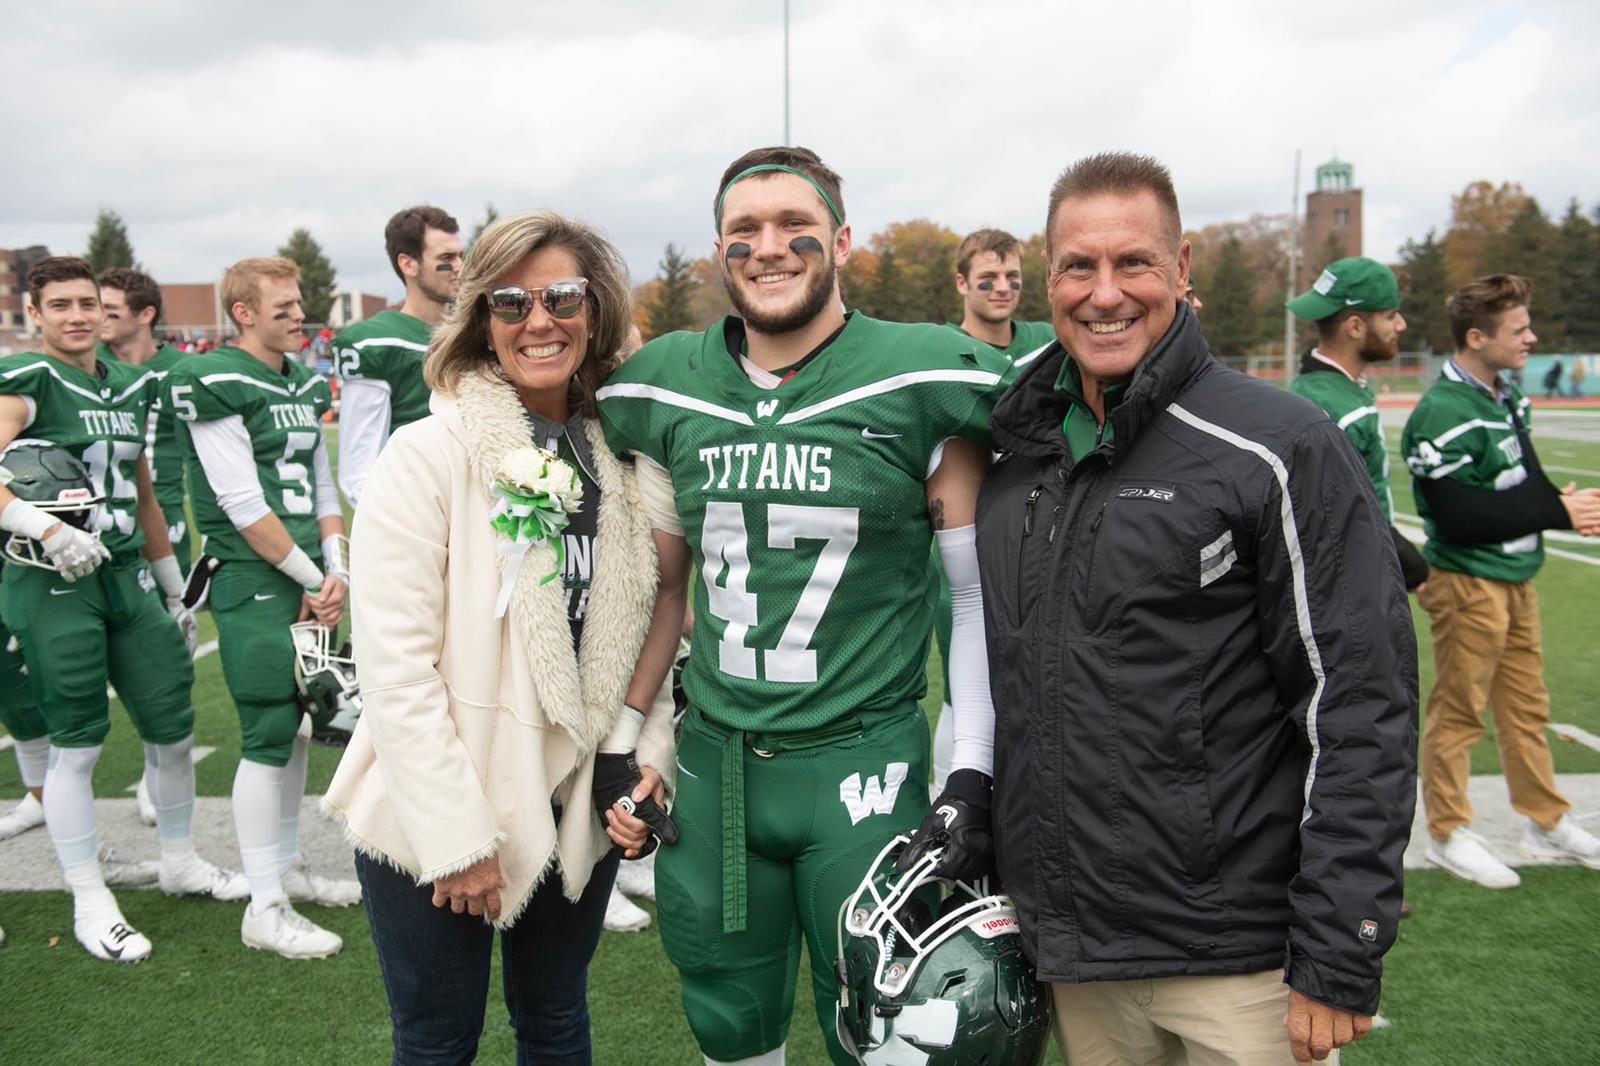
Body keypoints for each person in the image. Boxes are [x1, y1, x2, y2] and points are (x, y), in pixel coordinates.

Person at [975, 153, 1418, 1065]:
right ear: (1045, 279)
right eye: (1079, 267)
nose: (1105, 294)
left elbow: (1360, 700)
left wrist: (1342, 944)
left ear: (1182, 269)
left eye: (1133, 263)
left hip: (1238, 959)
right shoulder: (1016, 457)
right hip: (1078, 953)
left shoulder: (1277, 442)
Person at [597, 145, 1005, 1066]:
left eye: (795, 227)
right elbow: (654, 584)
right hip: (717, 763)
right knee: (726, 1017)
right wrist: (633, 739)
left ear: (843, 242)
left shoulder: (920, 372)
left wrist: (970, 765)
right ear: (719, 249)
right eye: (746, 230)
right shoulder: (664, 382)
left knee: (882, 1030)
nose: (769, 247)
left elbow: (976, 597)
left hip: (862, 763)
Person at [322, 210, 681, 1063]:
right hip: (438, 802)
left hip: (576, 799)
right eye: (511, 301)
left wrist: (649, 764)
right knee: (439, 1040)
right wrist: (455, 837)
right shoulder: (425, 454)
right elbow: (395, 670)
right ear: (481, 319)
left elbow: (659, 619)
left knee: (556, 1023)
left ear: (595, 311)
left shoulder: (626, 456)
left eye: (562, 296)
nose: (539, 320)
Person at [0, 256, 242, 964]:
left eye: (88, 303)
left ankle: (179, 859)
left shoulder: (133, 384)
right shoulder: (28, 380)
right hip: (52, 581)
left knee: (171, 726)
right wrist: (45, 528)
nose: (78, 316)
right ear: (35, 314)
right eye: (61, 305)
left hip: (126, 572)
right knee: (76, 741)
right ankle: (88, 896)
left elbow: (144, 495)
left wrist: (172, 586)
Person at [168, 256, 357, 959]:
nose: (297, 312)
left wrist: (336, 565)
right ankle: (264, 904)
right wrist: (313, 573)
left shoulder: (302, 381)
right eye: (282, 304)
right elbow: (243, 504)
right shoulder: (212, 377)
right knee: (268, 729)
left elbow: (321, 485)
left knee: (305, 727)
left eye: (298, 300)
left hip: (306, 574)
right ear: (242, 312)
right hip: (254, 576)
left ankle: (285, 870)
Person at [1401, 274, 1600, 889]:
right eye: (1519, 330)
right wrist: (1554, 513)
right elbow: (1459, 519)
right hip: (1468, 581)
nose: (1532, 338)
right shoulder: (1442, 410)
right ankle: (1445, 831)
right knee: (1459, 711)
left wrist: (1554, 499)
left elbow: (1520, 476)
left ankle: (1544, 818)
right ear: (1477, 336)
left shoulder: (1503, 392)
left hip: (1517, 578)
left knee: (1525, 708)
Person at [929, 229, 1057, 790]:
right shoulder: (939, 353)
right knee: (967, 659)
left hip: (1040, 529)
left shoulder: (1049, 342)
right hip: (966, 534)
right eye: (987, 279)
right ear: (962, 284)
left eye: (1013, 279)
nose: (1002, 289)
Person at [1286, 257, 1429, 590]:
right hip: (1351, 581)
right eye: (1391, 316)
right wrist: (1409, 564)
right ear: (1355, 327)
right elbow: (1348, 516)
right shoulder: (1339, 409)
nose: (1401, 325)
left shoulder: (1323, 389)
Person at [333, 204, 463, 507]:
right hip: (416, 507)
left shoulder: (472, 331)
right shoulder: (375, 342)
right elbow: (358, 472)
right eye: (446, 258)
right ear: (408, 264)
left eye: (460, 255)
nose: (459, 266)